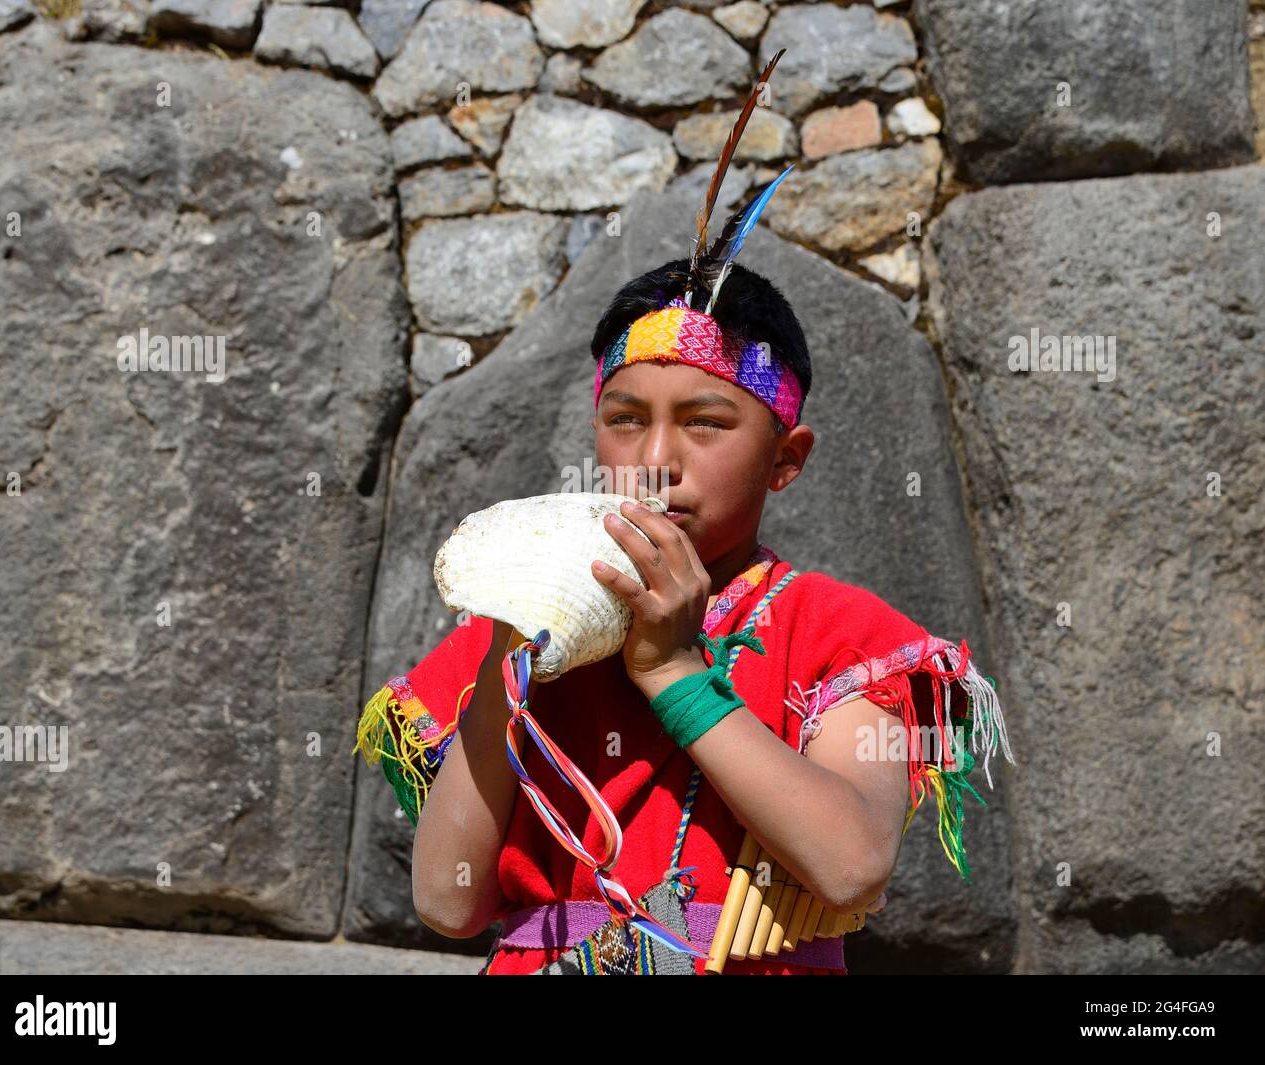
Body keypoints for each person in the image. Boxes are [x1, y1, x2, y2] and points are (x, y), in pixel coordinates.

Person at [353, 254, 1014, 975]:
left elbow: (852, 865)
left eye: (705, 423)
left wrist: (674, 672)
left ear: (786, 459)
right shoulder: (517, 638)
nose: (656, 459)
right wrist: (505, 660)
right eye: (625, 420)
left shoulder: (841, 633)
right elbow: (449, 902)